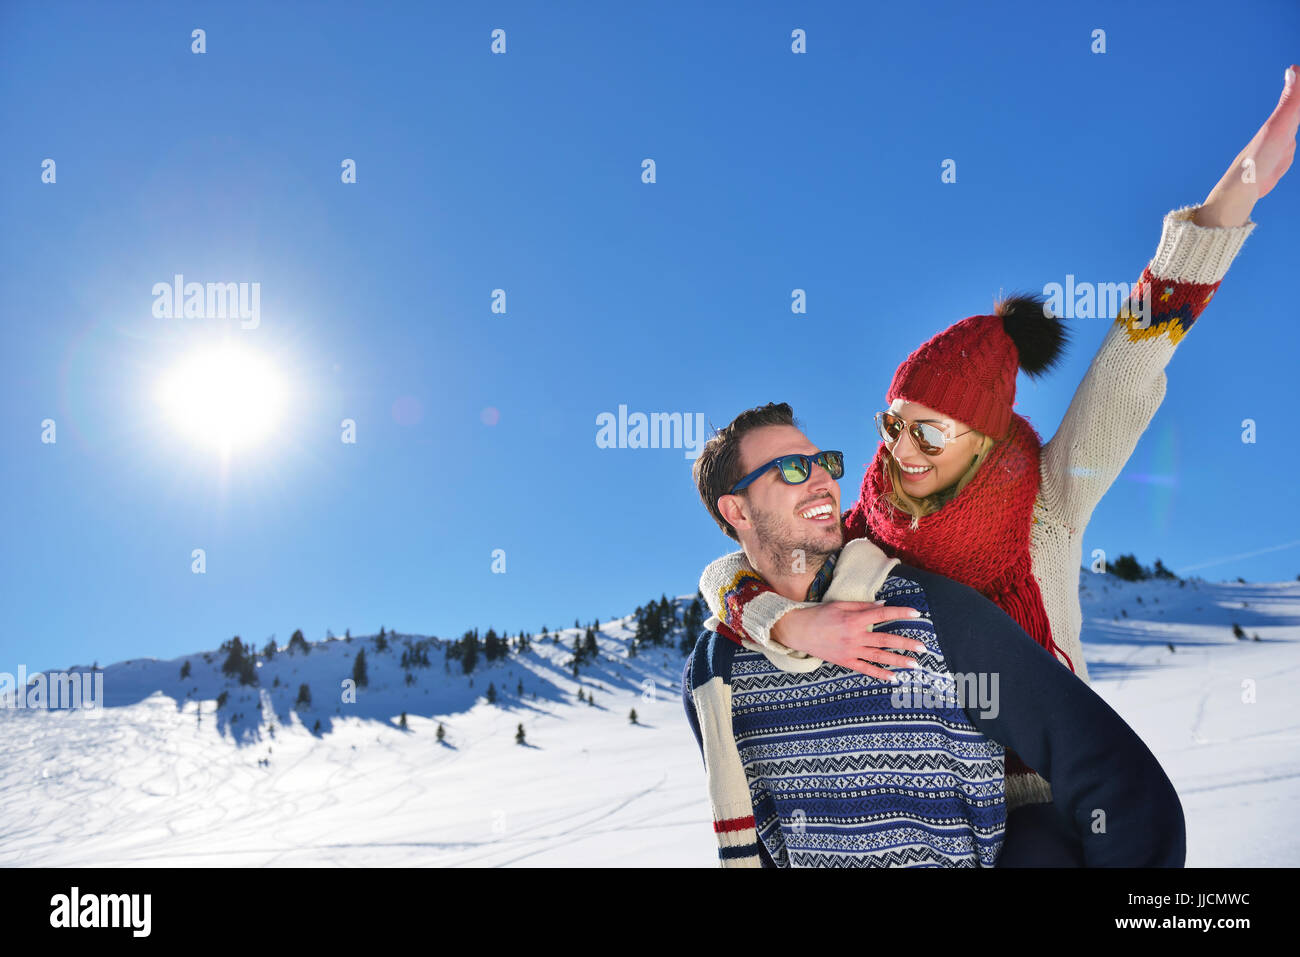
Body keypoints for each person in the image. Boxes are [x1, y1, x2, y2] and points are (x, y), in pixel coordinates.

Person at [694, 66, 1298, 834]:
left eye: (930, 432)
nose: (902, 450)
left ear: (983, 440)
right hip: (936, 814)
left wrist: (1234, 196)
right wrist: (787, 623)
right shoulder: (865, 532)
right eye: (892, 425)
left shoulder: (1047, 498)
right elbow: (726, 571)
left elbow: (1137, 349)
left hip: (1055, 801)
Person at [681, 405, 1184, 867]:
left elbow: (1112, 772)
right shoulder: (716, 673)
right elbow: (763, 839)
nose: (823, 482)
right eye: (792, 468)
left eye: (825, 463)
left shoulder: (925, 611)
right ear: (738, 512)